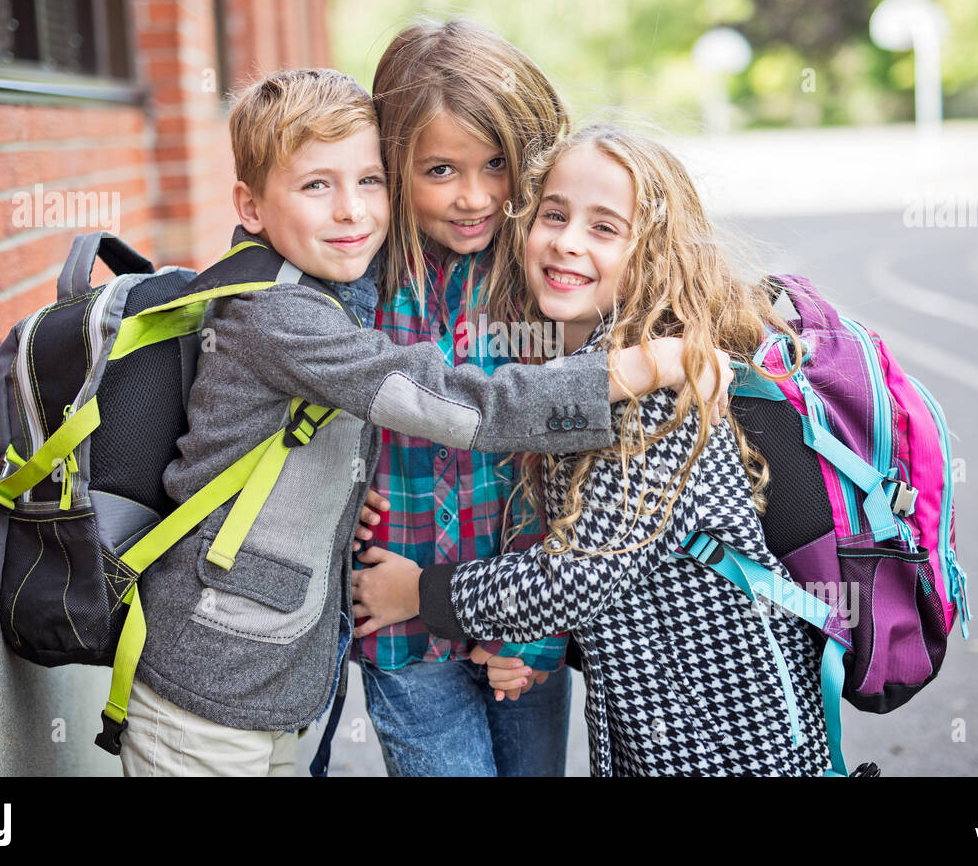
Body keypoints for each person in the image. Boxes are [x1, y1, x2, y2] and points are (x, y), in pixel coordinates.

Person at [119, 72, 732, 776]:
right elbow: (445, 401)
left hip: (287, 681)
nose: (350, 212)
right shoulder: (293, 309)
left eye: (366, 183)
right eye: (317, 186)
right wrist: (638, 370)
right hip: (222, 676)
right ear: (250, 206)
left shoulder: (508, 280)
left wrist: (347, 502)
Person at [353, 125, 830, 776]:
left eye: (604, 228)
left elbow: (576, 578)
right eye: (555, 214)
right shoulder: (599, 365)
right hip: (669, 723)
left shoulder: (653, 397)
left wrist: (418, 592)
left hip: (725, 739)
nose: (568, 240)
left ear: (655, 255)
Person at [351, 19, 575, 777]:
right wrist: (342, 492)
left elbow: (574, 480)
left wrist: (538, 640)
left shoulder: (543, 286)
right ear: (391, 164)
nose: (474, 196)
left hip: (520, 621)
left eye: (495, 165)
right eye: (440, 170)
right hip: (398, 624)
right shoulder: (361, 287)